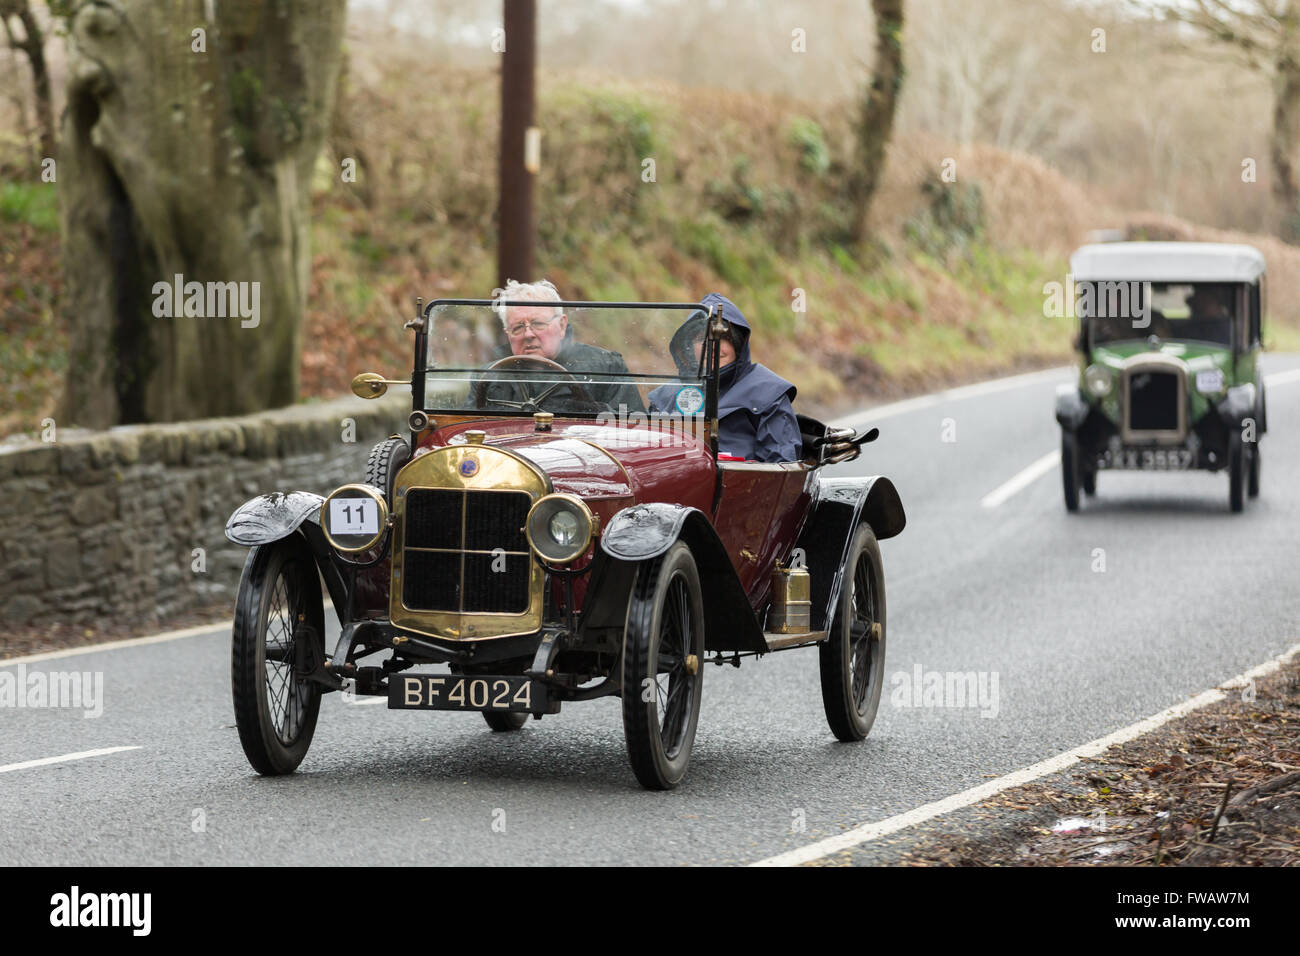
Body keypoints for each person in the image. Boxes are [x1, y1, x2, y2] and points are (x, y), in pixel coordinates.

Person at [649, 293, 801, 462]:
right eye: (701, 338)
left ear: (738, 344)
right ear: (688, 348)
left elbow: (780, 465)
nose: (712, 347)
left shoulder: (769, 393)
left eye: (723, 338)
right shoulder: (665, 396)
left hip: (742, 485)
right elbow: (647, 456)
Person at [477, 279, 644, 413]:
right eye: (518, 328)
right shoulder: (488, 378)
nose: (528, 334)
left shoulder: (606, 368)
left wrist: (590, 412)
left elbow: (632, 430)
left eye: (538, 323)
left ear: (562, 325)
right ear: (507, 334)